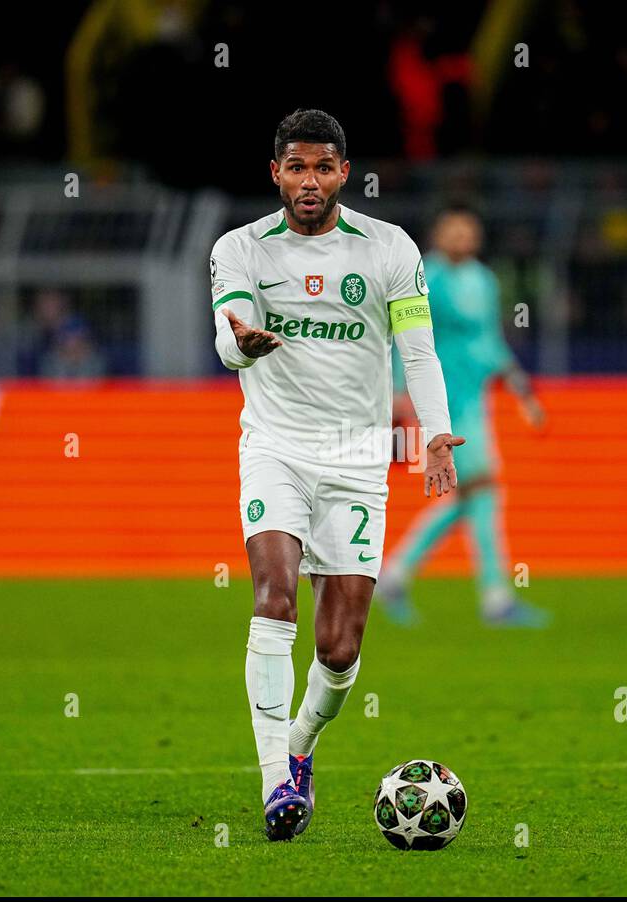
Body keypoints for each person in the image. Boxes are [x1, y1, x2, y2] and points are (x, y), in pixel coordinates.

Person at [209, 109, 464, 841]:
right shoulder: (241, 249)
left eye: (323, 168)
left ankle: (300, 750)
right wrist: (244, 347)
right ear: (276, 174)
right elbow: (226, 337)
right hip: (275, 447)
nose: (310, 181)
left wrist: (437, 435)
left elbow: (417, 350)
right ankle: (274, 784)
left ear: (344, 173)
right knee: (273, 596)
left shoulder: (389, 249)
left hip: (359, 460)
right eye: (297, 167)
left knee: (340, 648)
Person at [378, 206, 548, 626]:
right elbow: (408, 337)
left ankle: (396, 574)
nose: (460, 237)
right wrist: (401, 394)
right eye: (452, 230)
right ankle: (494, 596)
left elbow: (491, 340)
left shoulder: (484, 281)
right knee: (483, 490)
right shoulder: (425, 277)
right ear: (438, 234)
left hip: (476, 397)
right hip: (439, 399)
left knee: (475, 494)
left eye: (467, 230)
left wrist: (520, 389)